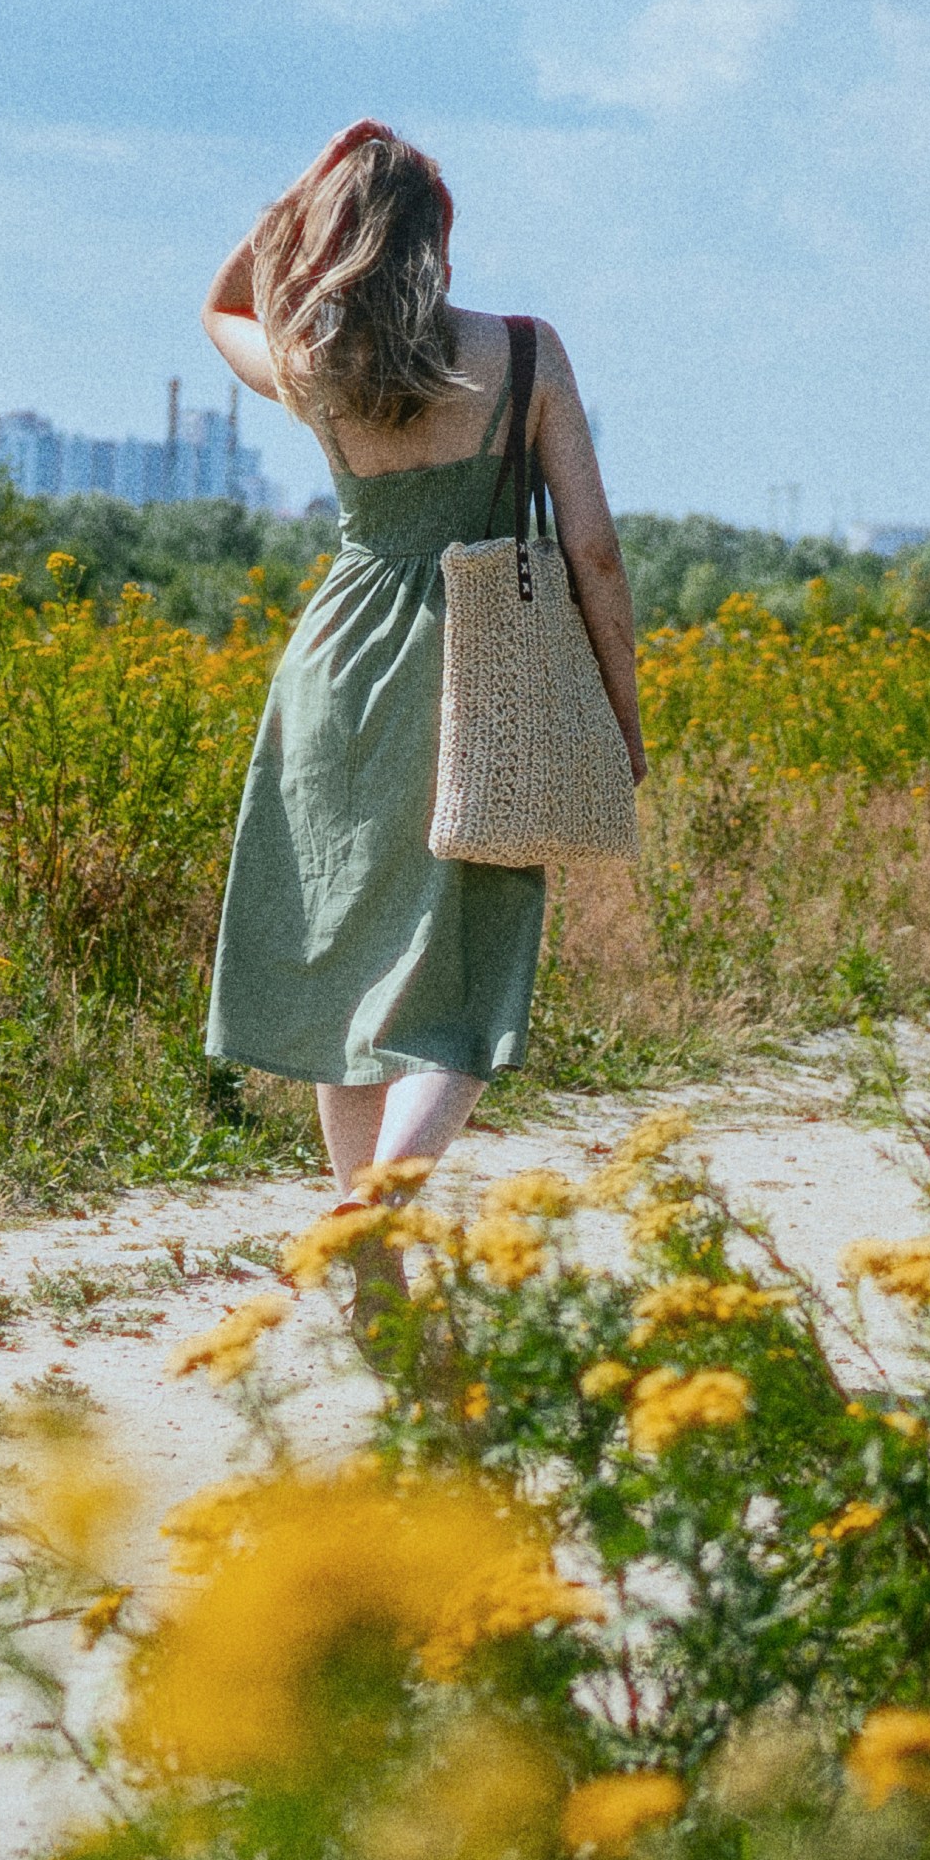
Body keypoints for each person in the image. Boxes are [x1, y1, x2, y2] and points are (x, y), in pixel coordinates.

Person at [197, 121, 645, 1191]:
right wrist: (618, 716)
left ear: (332, 239)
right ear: (441, 238)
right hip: (479, 665)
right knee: (467, 961)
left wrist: (306, 185)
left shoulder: (313, 356)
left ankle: (368, 1228)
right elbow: (594, 552)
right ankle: (386, 1200)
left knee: (353, 953)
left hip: (337, 666)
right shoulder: (525, 350)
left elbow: (222, 305)